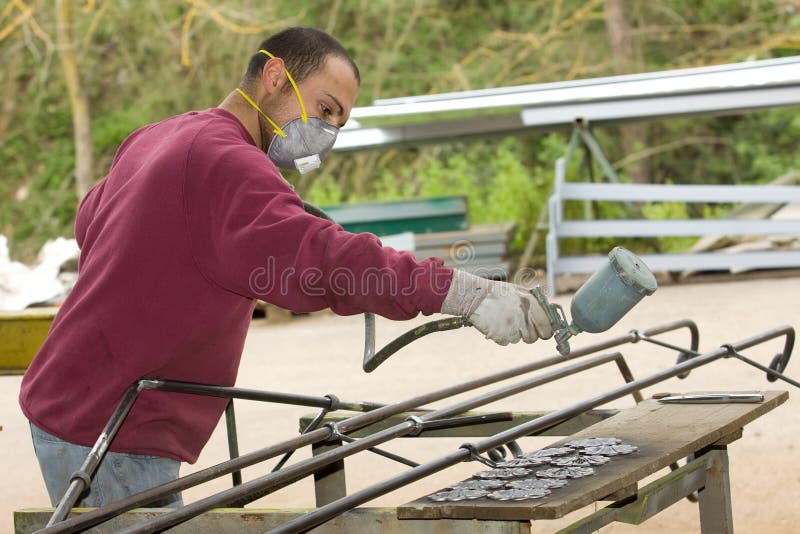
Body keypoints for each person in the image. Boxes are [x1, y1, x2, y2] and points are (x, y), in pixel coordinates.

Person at [19, 27, 554, 508]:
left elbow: (90, 222)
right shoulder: (226, 162)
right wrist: (464, 293)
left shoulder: (161, 136)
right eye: (324, 108)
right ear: (275, 75)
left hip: (77, 404)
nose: (325, 131)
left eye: (337, 123)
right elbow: (326, 261)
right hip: (110, 429)